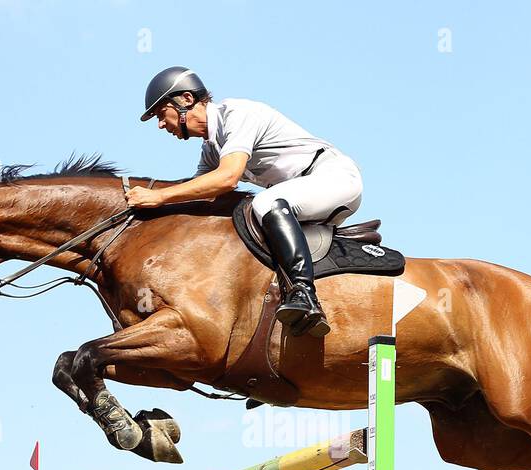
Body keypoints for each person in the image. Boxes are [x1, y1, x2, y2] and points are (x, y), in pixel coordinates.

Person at [129, 67, 363, 338]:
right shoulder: (211, 150)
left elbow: (227, 178)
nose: (161, 124)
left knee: (264, 204)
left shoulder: (237, 114)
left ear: (185, 100)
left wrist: (157, 196)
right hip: (304, 197)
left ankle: (304, 294)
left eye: (161, 114)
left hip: (335, 178)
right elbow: (202, 196)